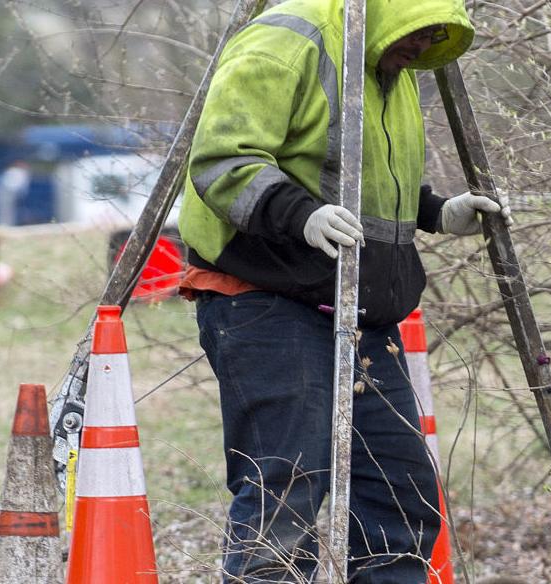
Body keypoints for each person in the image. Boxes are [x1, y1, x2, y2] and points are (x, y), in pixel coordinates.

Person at [178, 0, 509, 581]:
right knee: (285, 494)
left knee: (400, 495)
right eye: (420, 30)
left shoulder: (390, 63)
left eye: (437, 34)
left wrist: (434, 211)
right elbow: (222, 159)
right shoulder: (289, 39)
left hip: (357, 312)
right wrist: (299, 215)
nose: (425, 44)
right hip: (264, 296)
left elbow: (360, 178)